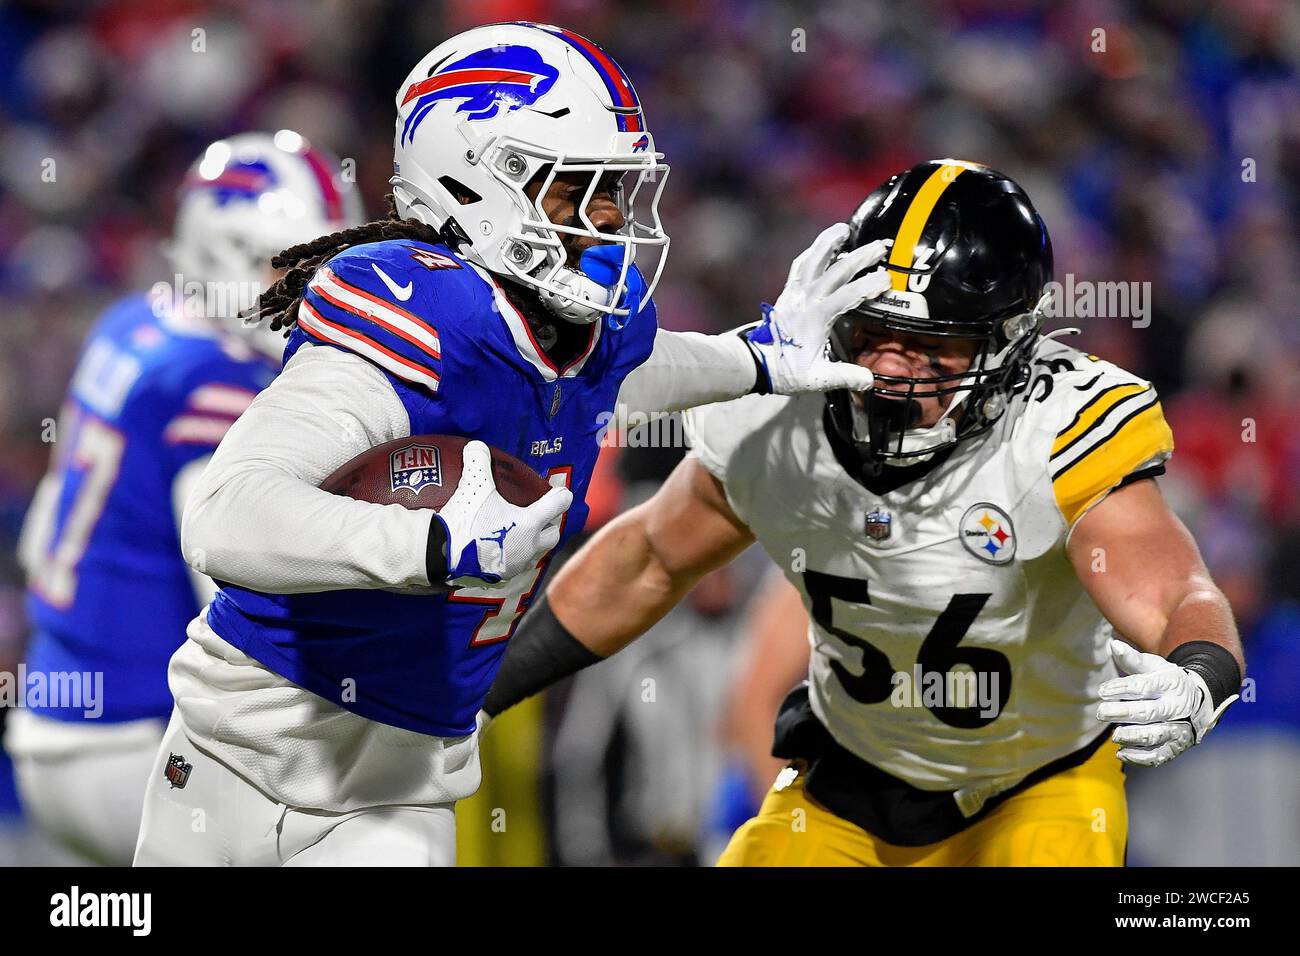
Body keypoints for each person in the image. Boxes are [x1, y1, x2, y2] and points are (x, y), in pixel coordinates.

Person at [133, 21, 887, 866]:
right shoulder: (420, 325)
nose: (608, 226)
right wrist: (432, 542)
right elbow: (228, 518)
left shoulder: (576, 332)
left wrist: (759, 356)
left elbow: (626, 375)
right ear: (474, 183)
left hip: (400, 788)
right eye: (578, 195)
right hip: (236, 752)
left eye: (616, 196)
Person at [482, 159, 1247, 866]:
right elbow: (649, 560)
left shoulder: (1058, 427)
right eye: (874, 330)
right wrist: (479, 690)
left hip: (1038, 786)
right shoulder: (772, 410)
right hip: (846, 783)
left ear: (1010, 347)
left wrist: (1200, 670)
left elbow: (1172, 589)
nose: (887, 366)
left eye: (931, 345)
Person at [5, 131, 359, 864]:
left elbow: (41, 540)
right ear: (216, 254)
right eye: (285, 265)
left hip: (52, 717)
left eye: (326, 267)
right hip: (136, 742)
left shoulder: (133, 323)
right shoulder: (214, 379)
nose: (310, 291)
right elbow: (238, 597)